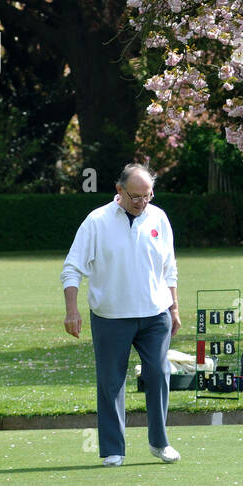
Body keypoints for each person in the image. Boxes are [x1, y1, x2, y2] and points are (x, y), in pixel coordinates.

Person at [61, 163, 182, 466]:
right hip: (111, 315)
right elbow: (72, 269)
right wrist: (71, 310)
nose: (142, 203)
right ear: (119, 191)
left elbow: (169, 268)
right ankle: (113, 449)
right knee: (111, 381)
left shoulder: (159, 218)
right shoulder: (97, 221)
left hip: (155, 314)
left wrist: (174, 307)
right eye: (136, 197)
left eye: (148, 196)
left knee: (158, 372)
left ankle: (159, 442)